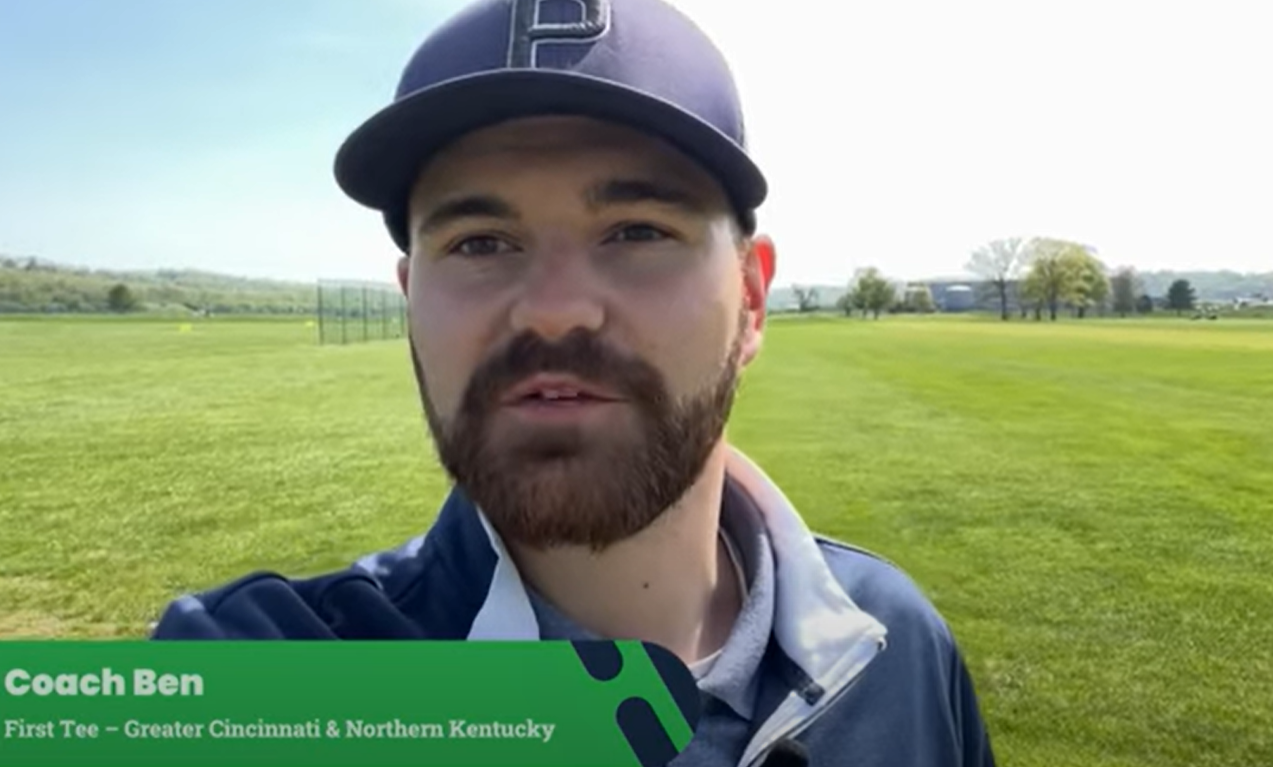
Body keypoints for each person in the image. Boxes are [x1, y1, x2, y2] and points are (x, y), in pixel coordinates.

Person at [152, 0, 997, 764]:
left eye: (635, 230)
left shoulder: (896, 640)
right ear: (413, 302)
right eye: (480, 242)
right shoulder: (255, 682)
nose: (553, 312)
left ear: (748, 298)